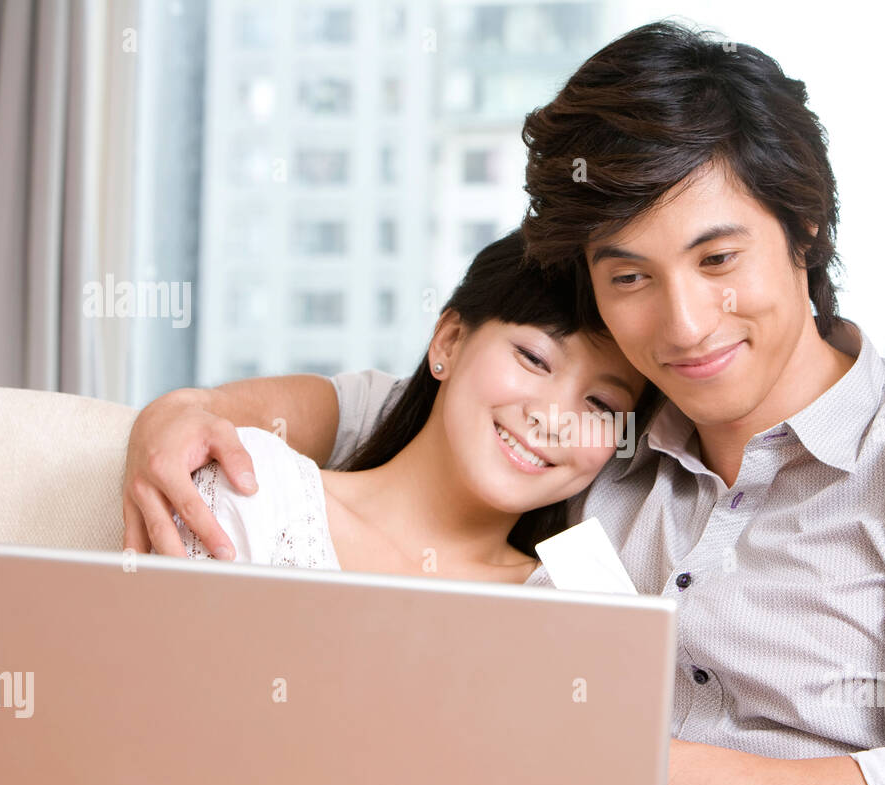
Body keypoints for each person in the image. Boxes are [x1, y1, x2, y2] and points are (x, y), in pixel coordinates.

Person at [124, 20, 885, 785]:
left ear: (808, 229)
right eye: (630, 276)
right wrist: (183, 410)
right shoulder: (601, 435)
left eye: (718, 257)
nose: (684, 324)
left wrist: (582, 742)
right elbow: (392, 408)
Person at [145, 227, 652, 585]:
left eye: (602, 405)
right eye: (533, 358)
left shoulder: (586, 593)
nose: (553, 419)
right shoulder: (251, 491)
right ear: (449, 342)